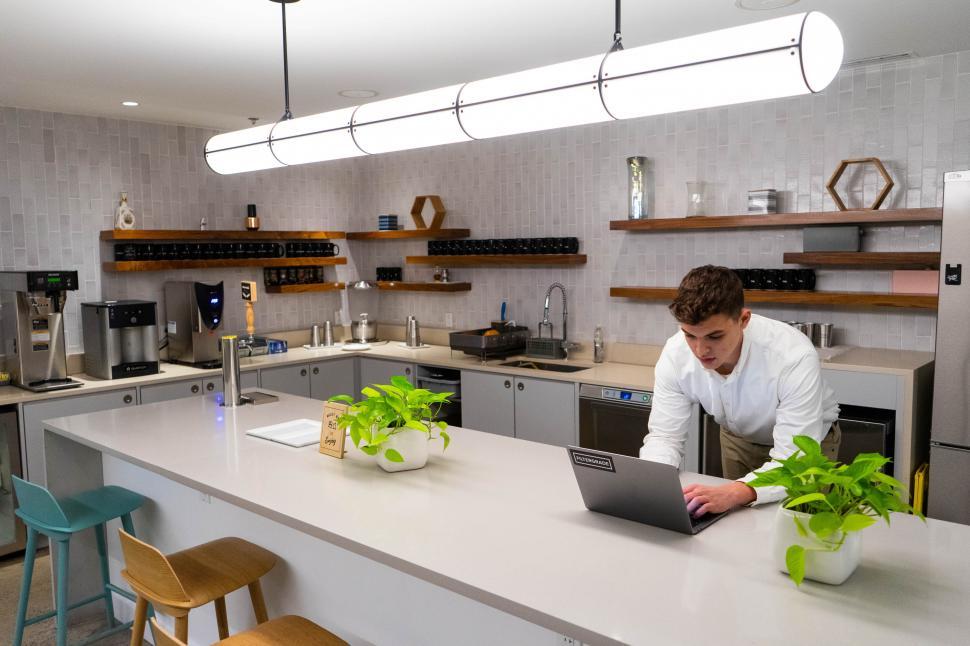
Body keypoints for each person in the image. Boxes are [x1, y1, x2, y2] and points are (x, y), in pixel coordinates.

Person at [640, 265, 840, 517]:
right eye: (690, 335)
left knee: (803, 532)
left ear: (744, 319)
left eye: (714, 336)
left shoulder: (792, 355)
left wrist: (734, 492)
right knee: (740, 529)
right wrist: (651, 485)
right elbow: (665, 438)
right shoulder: (675, 353)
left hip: (808, 445)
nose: (701, 350)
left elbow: (793, 460)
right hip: (738, 439)